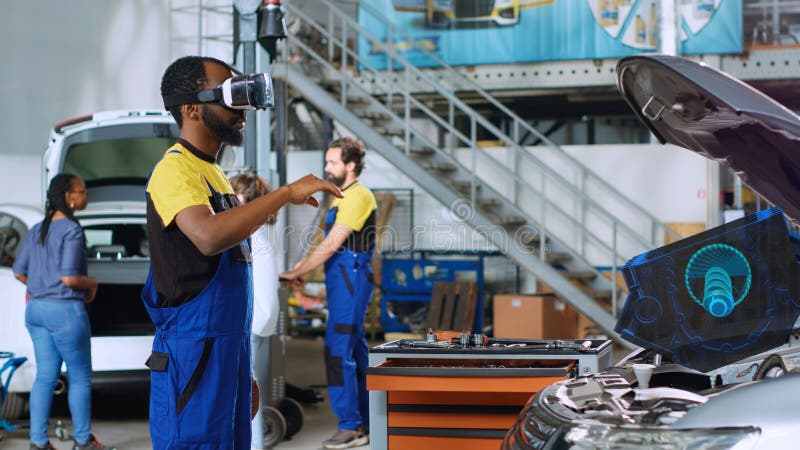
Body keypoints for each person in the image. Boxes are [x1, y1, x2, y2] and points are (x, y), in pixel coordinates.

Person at [143, 55, 341, 450]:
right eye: (230, 95)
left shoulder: (213, 173)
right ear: (191, 108)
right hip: (193, 355)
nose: (242, 108)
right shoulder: (174, 171)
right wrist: (284, 194)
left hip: (225, 354)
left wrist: (241, 368)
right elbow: (208, 237)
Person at [281, 137, 376, 449]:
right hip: (343, 282)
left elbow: (333, 243)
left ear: (350, 165)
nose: (326, 167)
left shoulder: (358, 196)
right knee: (354, 352)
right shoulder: (341, 196)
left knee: (337, 351)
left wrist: (299, 270)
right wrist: (302, 272)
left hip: (352, 280)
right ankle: (366, 421)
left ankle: (351, 426)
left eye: (333, 162)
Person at [13, 173, 115, 450]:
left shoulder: (37, 229)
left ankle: (38, 443)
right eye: (82, 191)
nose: (86, 196)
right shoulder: (72, 230)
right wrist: (92, 283)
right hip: (65, 311)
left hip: (35, 310)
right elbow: (70, 278)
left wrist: (41, 286)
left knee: (45, 376)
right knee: (80, 377)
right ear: (69, 196)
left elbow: (19, 271)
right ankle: (83, 441)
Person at [229, 173, 280, 450]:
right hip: (253, 326)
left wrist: (253, 328)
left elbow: (262, 297)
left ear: (248, 201)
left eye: (233, 197)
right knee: (246, 396)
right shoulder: (252, 237)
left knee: (248, 397)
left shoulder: (255, 240)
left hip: (252, 327)